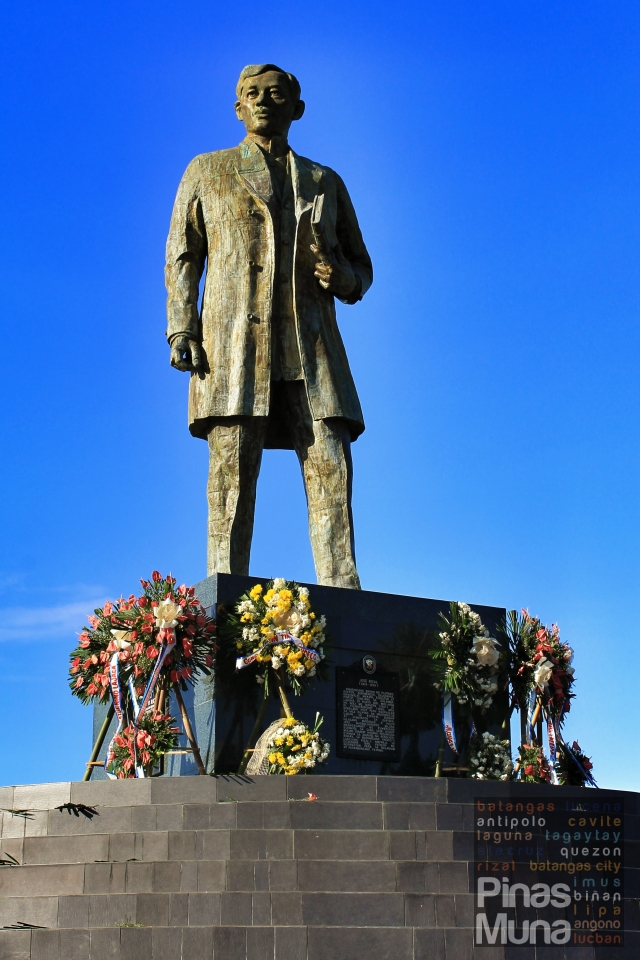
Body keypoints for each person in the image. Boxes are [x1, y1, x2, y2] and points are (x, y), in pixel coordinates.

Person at [165, 64, 373, 588]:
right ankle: (224, 591)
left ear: (296, 109)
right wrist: (181, 328)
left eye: (275, 94)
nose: (263, 101)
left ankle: (343, 595)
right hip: (233, 352)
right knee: (230, 480)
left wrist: (341, 275)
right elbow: (183, 255)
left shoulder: (325, 180)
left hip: (312, 353)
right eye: (251, 94)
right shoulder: (206, 171)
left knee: (331, 472)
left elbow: (362, 268)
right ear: (237, 108)